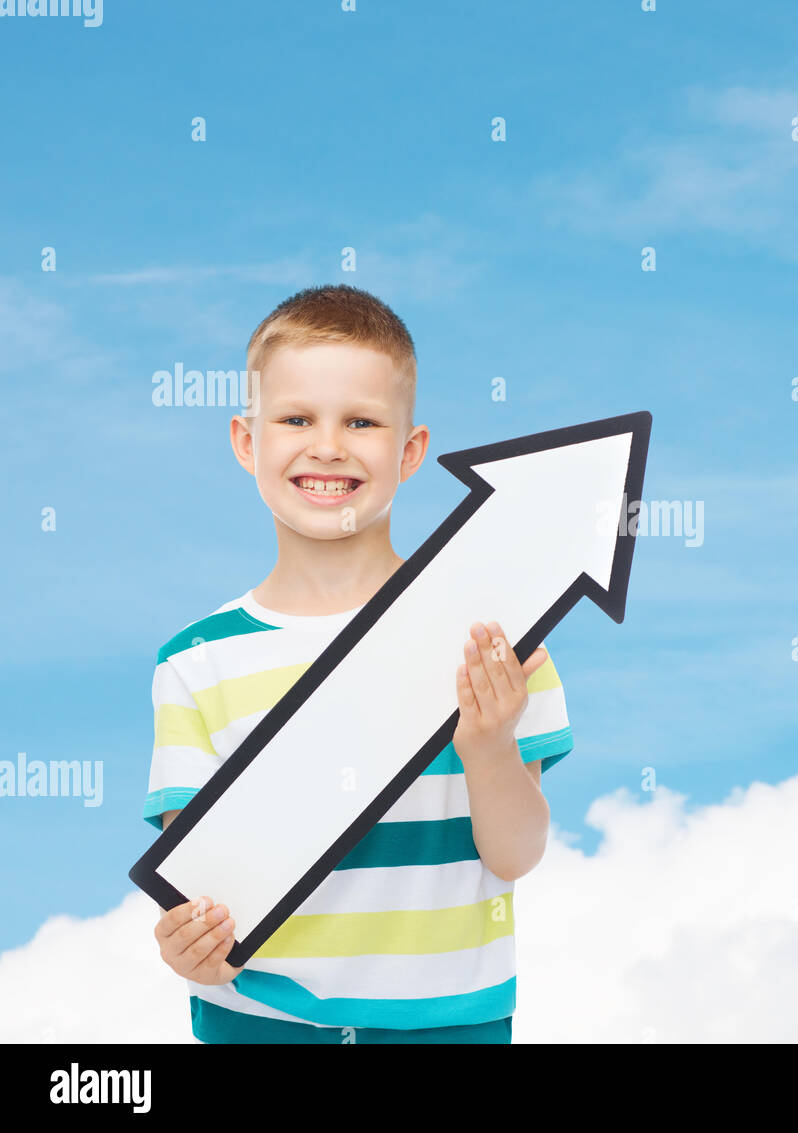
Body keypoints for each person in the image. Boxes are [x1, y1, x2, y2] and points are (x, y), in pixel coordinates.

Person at [142, 284, 573, 1043]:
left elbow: (517, 852)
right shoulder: (197, 662)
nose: (329, 446)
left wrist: (488, 744)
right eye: (297, 418)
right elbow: (202, 898)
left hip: (451, 1025)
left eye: (362, 422)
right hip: (259, 1024)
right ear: (248, 442)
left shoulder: (494, 638)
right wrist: (196, 952)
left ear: (410, 452)